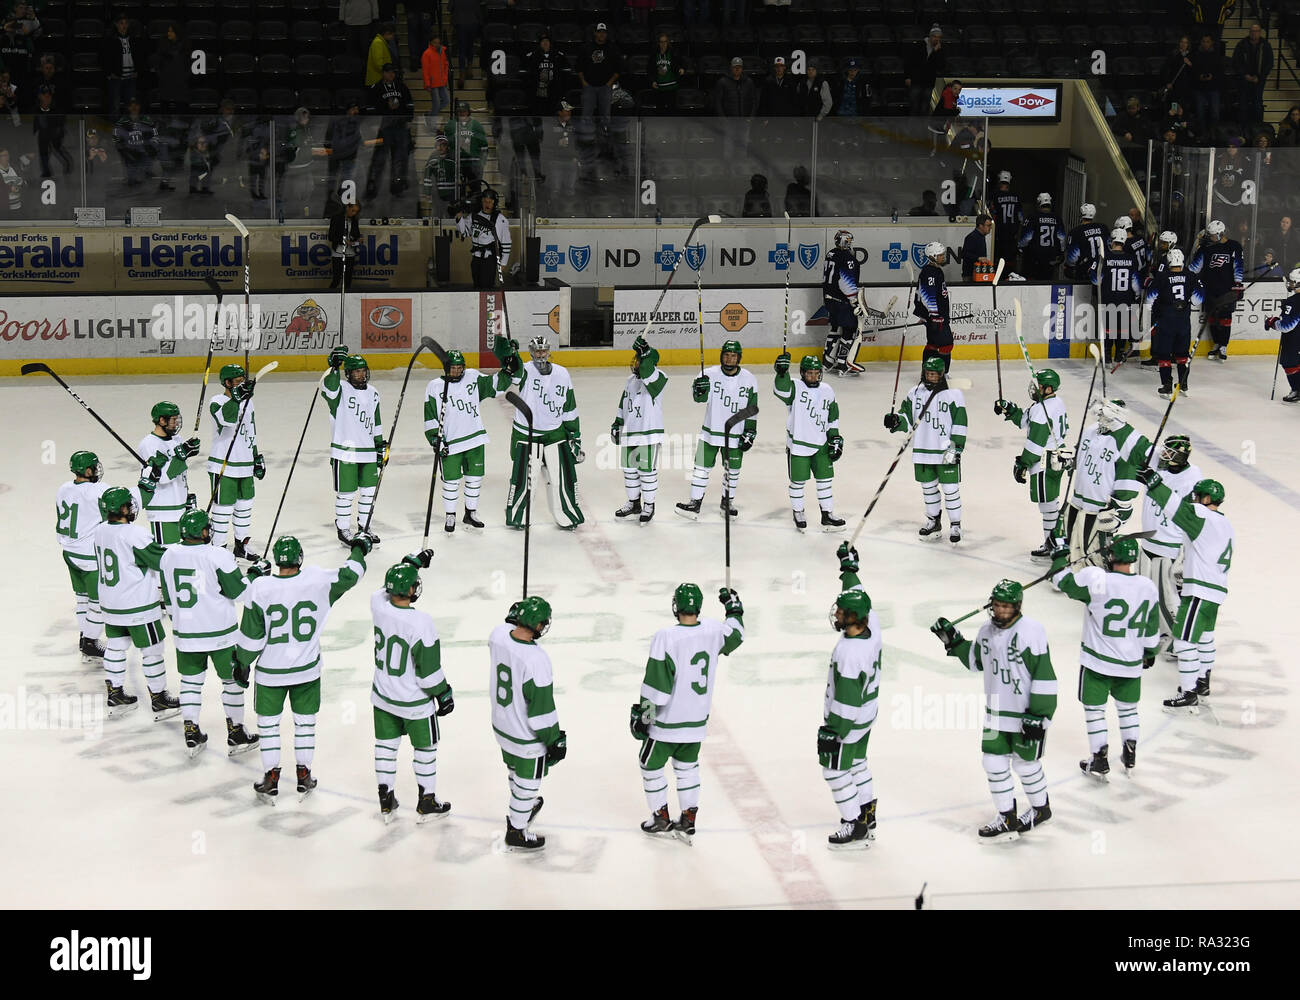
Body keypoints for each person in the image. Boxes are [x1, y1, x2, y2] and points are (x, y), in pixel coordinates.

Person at [236, 533, 370, 802]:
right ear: (300, 558)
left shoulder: (261, 587)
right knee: (305, 723)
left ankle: (271, 777)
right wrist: (358, 548)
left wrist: (242, 663)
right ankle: (303, 774)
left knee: (269, 725)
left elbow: (251, 636)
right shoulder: (317, 579)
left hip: (271, 672)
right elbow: (351, 575)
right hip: (306, 669)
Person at [930, 580, 1057, 840]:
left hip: (1025, 716)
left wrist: (1040, 714)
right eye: (997, 605)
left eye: (1006, 607)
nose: (1000, 611)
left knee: (1025, 764)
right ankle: (1006, 816)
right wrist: (954, 642)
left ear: (1017, 607)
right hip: (996, 713)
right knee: (992, 762)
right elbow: (976, 661)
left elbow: (1045, 676)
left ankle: (1040, 809)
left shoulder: (1032, 631)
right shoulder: (985, 631)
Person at [632, 583, 744, 842]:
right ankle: (688, 818)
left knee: (649, 765)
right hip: (696, 721)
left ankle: (661, 817)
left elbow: (656, 685)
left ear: (676, 606)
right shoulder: (714, 630)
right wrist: (733, 608)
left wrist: (645, 716)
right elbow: (736, 634)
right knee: (687, 767)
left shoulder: (666, 636)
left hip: (667, 722)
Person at [1051, 536, 1159, 779]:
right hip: (1130, 663)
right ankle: (1129, 753)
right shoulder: (1147, 587)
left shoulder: (1098, 579)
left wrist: (1059, 555)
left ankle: (1099, 759)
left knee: (1095, 710)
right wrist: (1150, 653)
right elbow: (1152, 630)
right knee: (1128, 710)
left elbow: (1063, 582)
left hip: (1098, 662)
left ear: (1111, 557)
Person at [160, 510, 261, 757]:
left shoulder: (168, 555)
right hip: (220, 634)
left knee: (191, 682)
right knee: (232, 681)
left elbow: (168, 597)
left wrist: (180, 622)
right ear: (203, 532)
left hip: (186, 632)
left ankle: (191, 729)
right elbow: (240, 594)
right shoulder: (219, 556)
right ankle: (236, 732)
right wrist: (255, 575)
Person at [1134, 470, 1233, 714]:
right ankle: (1202, 683)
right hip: (1216, 592)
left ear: (1207, 499)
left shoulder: (1202, 516)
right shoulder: (1225, 523)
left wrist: (1155, 484)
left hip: (1199, 590)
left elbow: (1175, 508)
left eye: (1198, 496)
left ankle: (1188, 693)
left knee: (1184, 640)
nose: (1194, 500)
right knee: (1206, 639)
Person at [370, 550, 452, 823]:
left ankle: (385, 799)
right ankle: (426, 800)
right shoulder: (421, 623)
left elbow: (384, 590)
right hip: (414, 702)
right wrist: (444, 693)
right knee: (426, 750)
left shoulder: (377, 605)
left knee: (385, 746)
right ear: (412, 590)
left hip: (383, 696)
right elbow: (428, 675)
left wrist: (411, 563)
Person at [93, 486, 179, 719]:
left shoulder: (100, 531)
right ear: (121, 508)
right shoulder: (135, 534)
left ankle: (115, 693)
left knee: (116, 646)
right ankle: (159, 698)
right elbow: (161, 561)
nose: (131, 508)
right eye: (127, 505)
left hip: (111, 604)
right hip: (138, 606)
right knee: (152, 650)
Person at [817, 543, 882, 849]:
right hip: (868, 713)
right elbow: (858, 590)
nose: (837, 614)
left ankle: (853, 825)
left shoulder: (849, 654)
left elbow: (846, 700)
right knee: (857, 763)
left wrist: (834, 732)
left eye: (842, 612)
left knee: (834, 769)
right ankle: (867, 813)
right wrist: (849, 569)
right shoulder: (873, 626)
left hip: (850, 720)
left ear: (853, 617)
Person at [489, 596, 565, 852]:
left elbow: (507, 629)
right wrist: (554, 739)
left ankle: (522, 806)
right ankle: (517, 830)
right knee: (529, 780)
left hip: (502, 725)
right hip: (525, 735)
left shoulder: (498, 636)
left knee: (514, 770)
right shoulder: (537, 660)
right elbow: (542, 709)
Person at [423, 349, 511, 532]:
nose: (456, 371)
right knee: (451, 481)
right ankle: (450, 515)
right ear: (446, 368)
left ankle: (470, 513)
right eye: (452, 368)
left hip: (475, 438)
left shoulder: (472, 377)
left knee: (474, 478)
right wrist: (434, 439)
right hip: (451, 443)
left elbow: (495, 385)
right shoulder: (435, 386)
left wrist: (508, 369)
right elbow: (430, 416)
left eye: (459, 367)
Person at [503, 336, 584, 530]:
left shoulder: (563, 374)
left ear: (548, 351)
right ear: (531, 352)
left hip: (555, 432)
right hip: (527, 432)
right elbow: (512, 374)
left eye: (543, 351)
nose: (541, 355)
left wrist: (574, 436)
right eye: (537, 351)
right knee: (525, 479)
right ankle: (519, 516)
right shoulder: (524, 370)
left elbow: (569, 406)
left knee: (560, 478)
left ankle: (567, 515)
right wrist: (509, 354)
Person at [884, 356, 967, 544]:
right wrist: (896, 421)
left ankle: (955, 525)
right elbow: (906, 418)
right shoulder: (914, 393)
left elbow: (960, 424)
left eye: (934, 374)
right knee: (928, 489)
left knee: (950, 489)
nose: (930, 377)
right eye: (928, 374)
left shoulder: (954, 395)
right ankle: (933, 522)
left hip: (946, 451)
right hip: (922, 450)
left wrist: (957, 448)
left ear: (942, 374)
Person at [676, 341, 758, 520]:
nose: (729, 359)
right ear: (721, 356)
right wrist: (700, 390)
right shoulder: (708, 374)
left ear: (739, 358)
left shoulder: (749, 378)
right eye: (726, 355)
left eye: (733, 356)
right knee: (700, 468)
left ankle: (727, 502)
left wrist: (751, 431)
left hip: (736, 434)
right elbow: (699, 399)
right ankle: (694, 503)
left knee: (733, 470)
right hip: (710, 432)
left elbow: (752, 408)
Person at [1059, 399, 1147, 565]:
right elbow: (1080, 457)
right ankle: (1072, 570)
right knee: (1072, 539)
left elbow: (1127, 474)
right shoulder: (1091, 430)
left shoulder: (1123, 441)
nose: (1101, 419)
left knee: (1092, 548)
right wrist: (1067, 462)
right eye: (1101, 415)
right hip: (1079, 497)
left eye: (1106, 417)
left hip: (1099, 504)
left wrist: (1121, 504)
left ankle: (1095, 577)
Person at [995, 370, 1070, 559]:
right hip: (1055, 458)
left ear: (1048, 388)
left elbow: (1036, 442)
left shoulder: (1042, 409)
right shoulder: (1053, 404)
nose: (1035, 389)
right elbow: (1024, 420)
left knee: (1048, 506)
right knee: (1049, 504)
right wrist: (1010, 409)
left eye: (1039, 386)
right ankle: (1055, 542)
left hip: (1044, 461)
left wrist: (1023, 463)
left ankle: (1054, 545)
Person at [1137, 434, 1202, 650]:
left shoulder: (1192, 478)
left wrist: (1155, 482)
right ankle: (1155, 630)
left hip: (1168, 544)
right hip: (1148, 541)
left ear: (1181, 457)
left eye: (1170, 452)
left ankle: (1183, 642)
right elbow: (1144, 451)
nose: (1164, 455)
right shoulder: (1162, 466)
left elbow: (1181, 508)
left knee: (1167, 598)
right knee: (1148, 593)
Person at [772, 353, 845, 532]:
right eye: (809, 373)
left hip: (821, 444)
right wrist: (782, 373)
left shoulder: (827, 390)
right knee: (798, 482)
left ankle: (827, 514)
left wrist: (835, 437)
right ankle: (798, 512)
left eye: (816, 373)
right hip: (798, 444)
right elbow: (781, 390)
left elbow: (832, 416)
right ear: (802, 373)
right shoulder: (795, 387)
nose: (813, 376)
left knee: (825, 480)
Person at [322, 347, 385, 546]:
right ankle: (343, 528)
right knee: (346, 494)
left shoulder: (374, 392)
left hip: (368, 451)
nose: (361, 374)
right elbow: (328, 387)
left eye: (363, 370)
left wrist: (379, 446)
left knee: (368, 491)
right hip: (345, 452)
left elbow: (376, 422)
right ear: (348, 374)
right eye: (356, 371)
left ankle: (365, 527)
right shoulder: (339, 389)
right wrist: (333, 366)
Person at [56, 451, 110, 660]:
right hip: (88, 556)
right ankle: (90, 641)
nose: (96, 469)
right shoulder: (98, 491)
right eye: (94, 466)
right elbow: (118, 509)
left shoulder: (63, 488)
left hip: (69, 551)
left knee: (82, 599)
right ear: (87, 470)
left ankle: (84, 635)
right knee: (98, 603)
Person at [206, 364, 262, 558]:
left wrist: (256, 456)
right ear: (227, 383)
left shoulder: (249, 403)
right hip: (224, 464)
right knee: (223, 509)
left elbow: (251, 431)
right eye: (237, 382)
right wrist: (238, 397)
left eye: (243, 382)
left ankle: (241, 545)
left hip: (245, 464)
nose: (241, 385)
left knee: (245, 506)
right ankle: (219, 549)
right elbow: (227, 420)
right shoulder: (217, 401)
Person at [611, 337, 668, 524]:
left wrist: (646, 354)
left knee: (646, 472)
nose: (636, 362)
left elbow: (647, 373)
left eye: (639, 359)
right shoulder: (630, 381)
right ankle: (634, 503)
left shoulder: (659, 377)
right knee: (629, 470)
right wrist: (617, 423)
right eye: (636, 359)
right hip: (630, 433)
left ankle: (649, 505)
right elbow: (623, 404)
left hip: (648, 434)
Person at [136, 401, 200, 546]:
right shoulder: (149, 444)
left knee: (183, 556)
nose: (177, 423)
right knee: (166, 557)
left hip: (180, 506)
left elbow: (180, 471)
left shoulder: (177, 439)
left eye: (177, 419)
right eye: (173, 419)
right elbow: (162, 477)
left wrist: (185, 499)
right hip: (163, 510)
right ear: (161, 420)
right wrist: (182, 455)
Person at [1145, 248, 1203, 396]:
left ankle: (1166, 384)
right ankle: (1183, 383)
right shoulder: (1191, 276)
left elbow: (1149, 299)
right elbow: (1197, 300)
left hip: (1166, 321)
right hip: (1183, 322)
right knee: (1183, 355)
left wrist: (1155, 311)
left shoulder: (1162, 277)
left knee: (1164, 354)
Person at [1189, 219, 1244, 362]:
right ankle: (1216, 343)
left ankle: (1224, 345)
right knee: (1212, 318)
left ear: (1220, 234)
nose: (1211, 237)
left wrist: (1238, 284)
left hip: (1227, 289)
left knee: (1225, 318)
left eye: (1213, 235)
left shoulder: (1234, 246)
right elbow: (1194, 269)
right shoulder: (1206, 249)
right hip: (1209, 288)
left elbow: (1238, 266)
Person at [1093, 228, 1143, 364]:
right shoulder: (1131, 259)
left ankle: (1108, 354)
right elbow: (1136, 284)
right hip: (1125, 300)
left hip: (1108, 298)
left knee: (1108, 328)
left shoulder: (1105, 258)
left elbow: (1096, 280)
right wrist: (1137, 296)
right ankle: (1119, 353)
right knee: (1122, 329)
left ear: (1112, 240)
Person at [365, 62, 414, 198]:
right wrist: (376, 121)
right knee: (379, 158)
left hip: (400, 128)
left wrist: (408, 119)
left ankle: (396, 185)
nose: (391, 74)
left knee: (399, 158)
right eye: (388, 72)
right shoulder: (376, 88)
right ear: (383, 73)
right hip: (383, 129)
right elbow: (370, 108)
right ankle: (372, 186)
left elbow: (409, 104)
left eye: (393, 72)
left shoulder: (402, 87)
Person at [821, 229, 863, 376]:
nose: (850, 243)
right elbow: (846, 283)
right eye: (849, 241)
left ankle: (827, 362)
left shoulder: (831, 253)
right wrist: (854, 302)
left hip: (829, 299)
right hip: (842, 301)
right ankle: (842, 364)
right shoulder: (848, 258)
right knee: (849, 329)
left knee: (835, 327)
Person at [456, 186, 511, 290]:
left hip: (489, 258)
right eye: (485, 201)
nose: (487, 204)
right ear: (481, 201)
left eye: (490, 202)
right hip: (476, 257)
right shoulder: (474, 216)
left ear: (494, 203)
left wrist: (503, 262)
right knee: (477, 286)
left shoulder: (500, 219)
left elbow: (506, 242)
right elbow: (465, 232)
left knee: (487, 287)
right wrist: (459, 219)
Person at [577, 22, 621, 146]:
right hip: (589, 86)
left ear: (606, 34)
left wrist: (609, 84)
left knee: (606, 116)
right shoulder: (587, 47)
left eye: (604, 32)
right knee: (586, 116)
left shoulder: (612, 48)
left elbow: (619, 69)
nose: (602, 34)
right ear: (595, 33)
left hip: (605, 87)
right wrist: (584, 83)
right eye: (599, 32)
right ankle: (585, 141)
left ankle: (605, 143)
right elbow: (579, 67)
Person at [913, 241, 953, 371]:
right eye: (940, 255)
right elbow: (928, 296)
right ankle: (942, 373)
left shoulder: (934, 270)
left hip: (935, 316)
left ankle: (928, 372)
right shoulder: (930, 273)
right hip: (936, 317)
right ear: (933, 256)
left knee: (933, 344)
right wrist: (934, 316)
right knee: (946, 344)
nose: (943, 257)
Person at [1265, 267, 1300, 402]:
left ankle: (1296, 390)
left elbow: (1286, 326)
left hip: (1294, 340)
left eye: (1293, 281)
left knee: (1289, 362)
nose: (1290, 284)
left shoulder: (1292, 302)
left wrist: (1271, 322)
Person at [113, 98, 161, 189]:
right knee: (131, 178)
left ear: (140, 106)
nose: (134, 107)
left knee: (144, 177)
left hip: (143, 151)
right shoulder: (122, 120)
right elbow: (116, 136)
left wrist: (152, 146)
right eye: (131, 105)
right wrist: (122, 150)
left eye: (136, 105)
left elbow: (155, 133)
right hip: (130, 152)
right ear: (128, 107)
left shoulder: (146, 119)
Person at [103, 11, 144, 116]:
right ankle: (114, 129)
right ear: (116, 25)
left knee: (130, 107)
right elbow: (104, 58)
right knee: (114, 107)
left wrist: (138, 71)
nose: (124, 26)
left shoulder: (134, 40)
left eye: (126, 23)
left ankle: (129, 129)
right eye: (121, 23)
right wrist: (109, 73)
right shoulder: (110, 40)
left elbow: (140, 56)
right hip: (116, 78)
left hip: (131, 77)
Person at [1017, 192, 1065, 281]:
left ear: (1039, 203)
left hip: (1035, 257)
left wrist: (1020, 248)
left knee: (1033, 281)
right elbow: (1062, 238)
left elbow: (1026, 238)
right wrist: (1061, 252)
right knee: (1048, 281)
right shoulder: (1057, 218)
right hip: (1051, 257)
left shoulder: (1032, 217)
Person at [1232, 23, 1273, 125]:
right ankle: (1243, 128)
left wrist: (1260, 77)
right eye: (1252, 31)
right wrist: (1244, 75)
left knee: (1257, 103)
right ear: (1249, 32)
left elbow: (1269, 63)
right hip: (1244, 79)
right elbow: (1236, 62)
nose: (1254, 33)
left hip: (1259, 80)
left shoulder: (1266, 45)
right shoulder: (1241, 45)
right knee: (1243, 104)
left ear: (1260, 32)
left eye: (1256, 31)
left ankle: (1258, 126)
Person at [324, 98, 363, 204]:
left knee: (343, 176)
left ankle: (337, 200)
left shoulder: (353, 121)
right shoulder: (350, 121)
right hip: (341, 153)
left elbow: (328, 135)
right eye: (354, 109)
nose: (356, 111)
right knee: (339, 176)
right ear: (348, 110)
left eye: (357, 109)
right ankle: (335, 199)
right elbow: (329, 135)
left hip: (343, 154)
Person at [522, 31, 565, 119]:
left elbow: (566, 70)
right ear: (539, 43)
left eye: (547, 41)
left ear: (550, 43)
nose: (545, 43)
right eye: (543, 41)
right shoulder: (532, 56)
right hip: (538, 92)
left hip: (553, 91)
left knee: (551, 116)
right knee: (537, 116)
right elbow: (524, 72)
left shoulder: (558, 55)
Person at [904, 25, 946, 116]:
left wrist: (936, 52)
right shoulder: (919, 46)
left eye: (939, 37)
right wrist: (907, 77)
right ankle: (911, 128)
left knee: (925, 108)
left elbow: (940, 66)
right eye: (935, 37)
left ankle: (922, 128)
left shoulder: (940, 50)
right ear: (930, 36)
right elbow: (911, 63)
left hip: (929, 82)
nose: (937, 39)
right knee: (914, 107)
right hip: (916, 80)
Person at [448, 100, 486, 187]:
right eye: (459, 111)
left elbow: (483, 145)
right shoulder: (451, 125)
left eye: (464, 111)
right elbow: (447, 143)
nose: (462, 113)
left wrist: (482, 163)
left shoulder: (476, 125)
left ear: (469, 112)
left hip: (474, 164)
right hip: (457, 163)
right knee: (458, 191)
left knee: (475, 190)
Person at [990, 171, 1023, 271]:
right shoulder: (1016, 196)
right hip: (1013, 234)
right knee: (1010, 261)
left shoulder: (995, 196)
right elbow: (1020, 217)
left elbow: (991, 213)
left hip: (999, 233)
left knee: (999, 259)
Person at [1065, 203, 1106, 282]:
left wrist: (1069, 267)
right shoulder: (1103, 228)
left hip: (1084, 270)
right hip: (1101, 269)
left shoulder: (1076, 232)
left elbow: (1072, 257)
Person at [327, 197, 361, 289]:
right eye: (353, 210)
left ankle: (348, 298)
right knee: (337, 278)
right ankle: (329, 297)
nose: (354, 213)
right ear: (347, 208)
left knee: (348, 279)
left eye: (356, 212)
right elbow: (331, 236)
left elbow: (356, 234)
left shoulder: (354, 220)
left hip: (350, 252)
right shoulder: (336, 218)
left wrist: (358, 239)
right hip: (338, 252)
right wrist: (343, 240)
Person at [1190, 33, 1222, 131]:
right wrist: (1199, 77)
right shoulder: (1195, 55)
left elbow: (1220, 71)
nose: (1205, 44)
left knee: (1215, 114)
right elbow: (1192, 71)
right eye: (1203, 41)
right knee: (1200, 113)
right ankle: (1202, 134)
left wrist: (1212, 77)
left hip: (1213, 88)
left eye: (1207, 41)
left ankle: (1213, 134)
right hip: (1199, 88)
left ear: (1211, 42)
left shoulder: (1216, 55)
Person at [421, 33, 451, 130]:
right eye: (435, 43)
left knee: (446, 100)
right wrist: (427, 84)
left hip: (442, 82)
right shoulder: (427, 54)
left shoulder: (443, 51)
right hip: (433, 83)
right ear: (430, 43)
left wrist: (445, 79)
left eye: (438, 42)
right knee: (437, 104)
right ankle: (431, 124)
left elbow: (446, 66)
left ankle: (429, 115)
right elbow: (425, 70)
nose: (437, 44)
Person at [649, 32, 685, 112]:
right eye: (661, 42)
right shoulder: (654, 54)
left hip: (672, 87)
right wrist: (652, 81)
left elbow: (681, 63)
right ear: (658, 43)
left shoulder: (674, 53)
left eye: (665, 41)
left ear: (668, 42)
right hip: (659, 88)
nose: (663, 44)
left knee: (671, 113)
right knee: (660, 113)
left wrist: (681, 68)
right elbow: (650, 70)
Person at [450, 0, 481, 77]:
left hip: (460, 23)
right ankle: (469, 68)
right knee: (470, 47)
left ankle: (462, 73)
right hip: (473, 22)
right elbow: (478, 11)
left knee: (462, 49)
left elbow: (450, 8)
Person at [960, 214, 992, 281]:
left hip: (979, 274)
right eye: (988, 225)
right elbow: (964, 254)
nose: (990, 228)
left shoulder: (981, 236)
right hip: (970, 275)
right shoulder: (972, 237)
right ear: (980, 226)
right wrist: (978, 258)